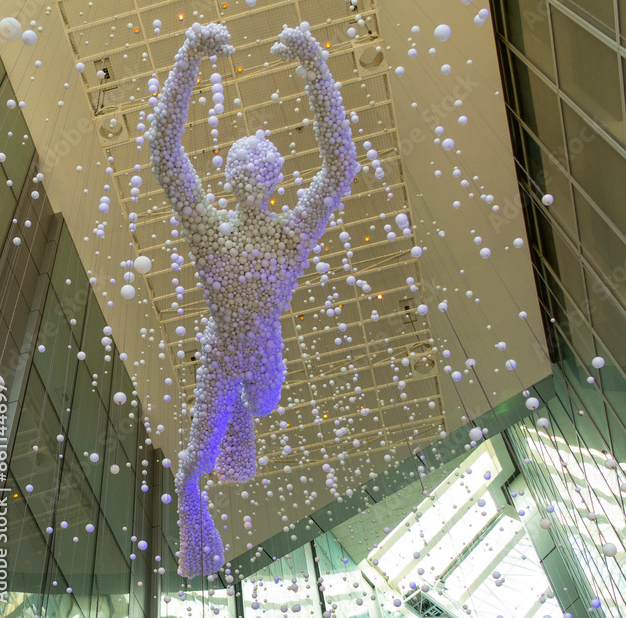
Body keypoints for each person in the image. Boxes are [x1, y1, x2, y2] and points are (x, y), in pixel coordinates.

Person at [147, 21, 359, 578]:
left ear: (269, 179)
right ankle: (198, 525)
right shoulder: (220, 230)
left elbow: (341, 168)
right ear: (232, 177)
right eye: (241, 168)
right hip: (223, 352)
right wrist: (191, 52)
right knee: (196, 460)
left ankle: (236, 429)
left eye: (257, 168)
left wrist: (315, 64)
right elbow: (162, 148)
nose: (247, 176)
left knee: (260, 405)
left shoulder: (283, 237)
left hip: (258, 355)